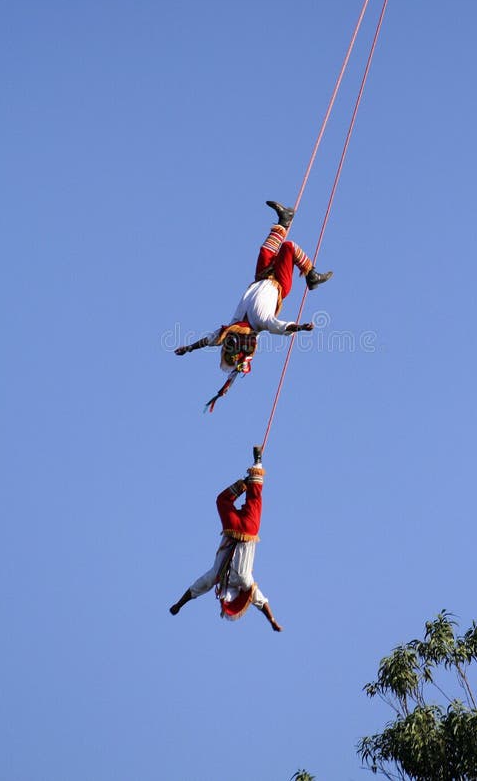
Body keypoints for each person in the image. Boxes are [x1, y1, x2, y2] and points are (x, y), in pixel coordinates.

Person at [175, 200, 333, 410]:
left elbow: (209, 340)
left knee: (265, 250)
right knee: (288, 247)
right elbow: (281, 326)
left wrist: (188, 348)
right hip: (278, 283)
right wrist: (301, 327)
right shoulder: (261, 323)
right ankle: (312, 276)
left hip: (260, 277)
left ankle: (284, 221)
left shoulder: (233, 323)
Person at [169, 448, 282, 631]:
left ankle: (257, 463)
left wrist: (272, 621)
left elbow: (262, 603)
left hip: (247, 530)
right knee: (223, 501)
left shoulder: (244, 583)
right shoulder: (218, 577)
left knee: (255, 499)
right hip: (232, 528)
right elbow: (194, 590)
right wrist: (178, 605)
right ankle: (246, 480)